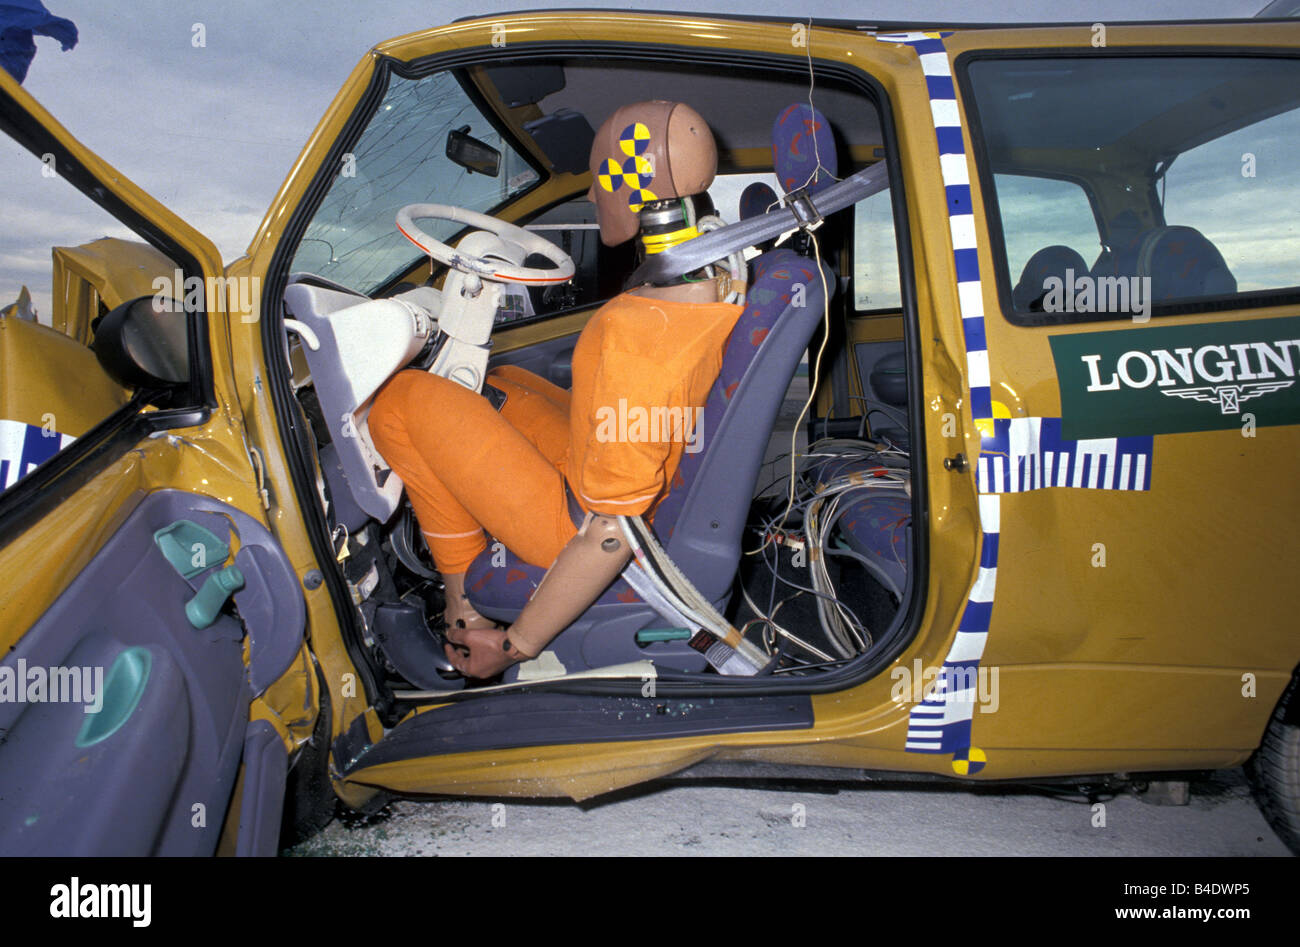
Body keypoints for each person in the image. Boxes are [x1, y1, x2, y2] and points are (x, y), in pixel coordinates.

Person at [369, 100, 744, 679]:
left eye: (601, 182)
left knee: (399, 404)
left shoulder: (642, 336)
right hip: (607, 462)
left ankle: (463, 605)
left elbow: (611, 534)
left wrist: (516, 643)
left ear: (633, 184)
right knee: (505, 384)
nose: (594, 197)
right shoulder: (710, 275)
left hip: (580, 523)